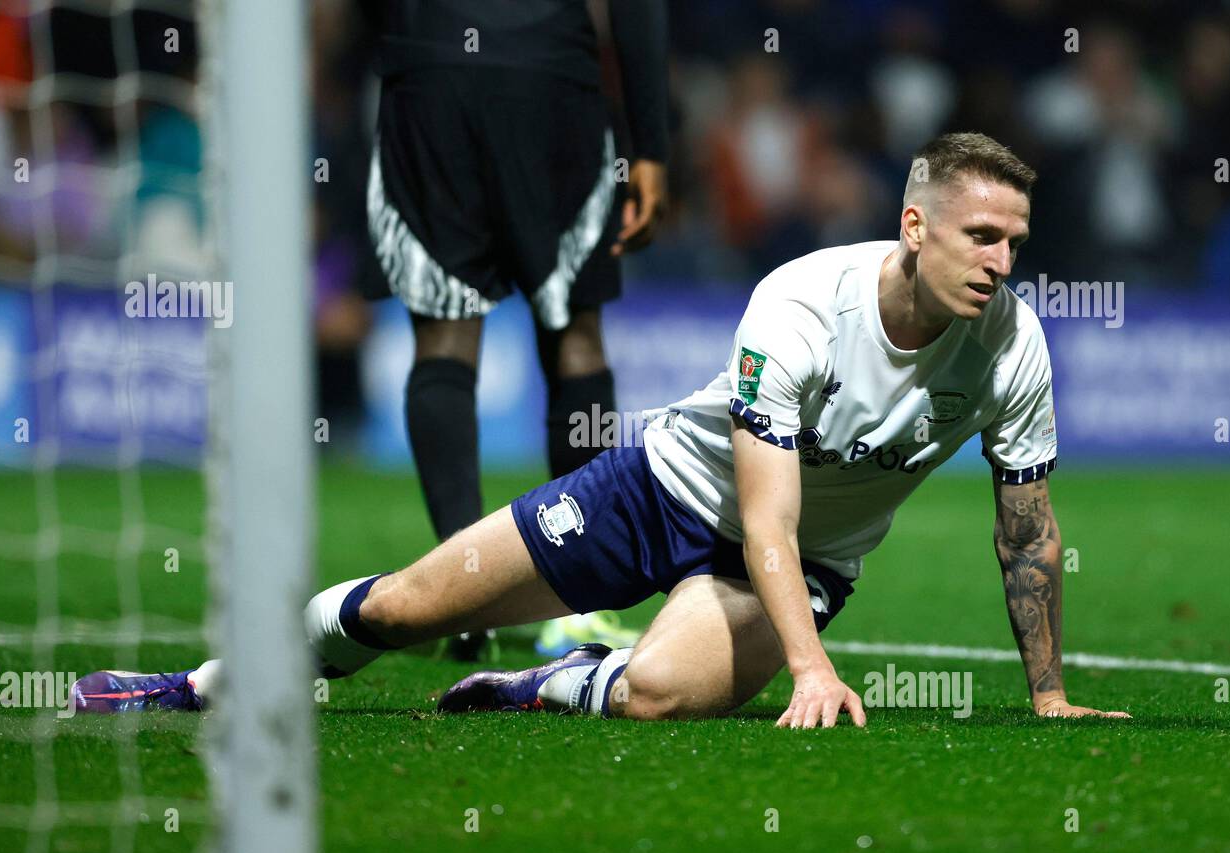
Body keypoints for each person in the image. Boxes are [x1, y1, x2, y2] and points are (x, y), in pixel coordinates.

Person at [72, 133, 1129, 728]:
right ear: (913, 225)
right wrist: (812, 673)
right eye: (980, 235)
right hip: (656, 491)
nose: (999, 261)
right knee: (399, 608)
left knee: (656, 697)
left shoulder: (1012, 347)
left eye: (1014, 242)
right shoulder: (804, 304)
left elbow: (1026, 531)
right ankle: (195, 686)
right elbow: (761, 507)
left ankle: (543, 682)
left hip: (806, 560)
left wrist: (1048, 695)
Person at [364, 0, 670, 659]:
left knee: (445, 332)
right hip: (550, 74)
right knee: (575, 336)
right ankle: (577, 602)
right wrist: (653, 145)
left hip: (431, 71)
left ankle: (460, 600)